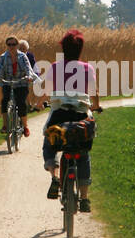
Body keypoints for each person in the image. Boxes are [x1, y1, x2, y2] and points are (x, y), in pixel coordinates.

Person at [42, 29, 102, 211]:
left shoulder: (55, 67)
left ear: (64, 48)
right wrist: (96, 106)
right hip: (81, 114)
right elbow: (94, 93)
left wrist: (41, 103)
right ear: (80, 49)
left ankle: (54, 175)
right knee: (83, 151)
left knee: (49, 140)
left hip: (60, 113)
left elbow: (47, 91)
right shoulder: (87, 68)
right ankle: (84, 198)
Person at [0, 35, 38, 137]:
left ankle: (25, 127)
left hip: (21, 82)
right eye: (9, 44)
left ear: (17, 45)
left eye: (13, 44)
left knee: (21, 103)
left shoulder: (22, 56)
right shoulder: (3, 57)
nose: (11, 46)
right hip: (7, 82)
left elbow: (28, 68)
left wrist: (29, 76)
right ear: (6, 45)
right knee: (4, 101)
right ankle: (5, 125)